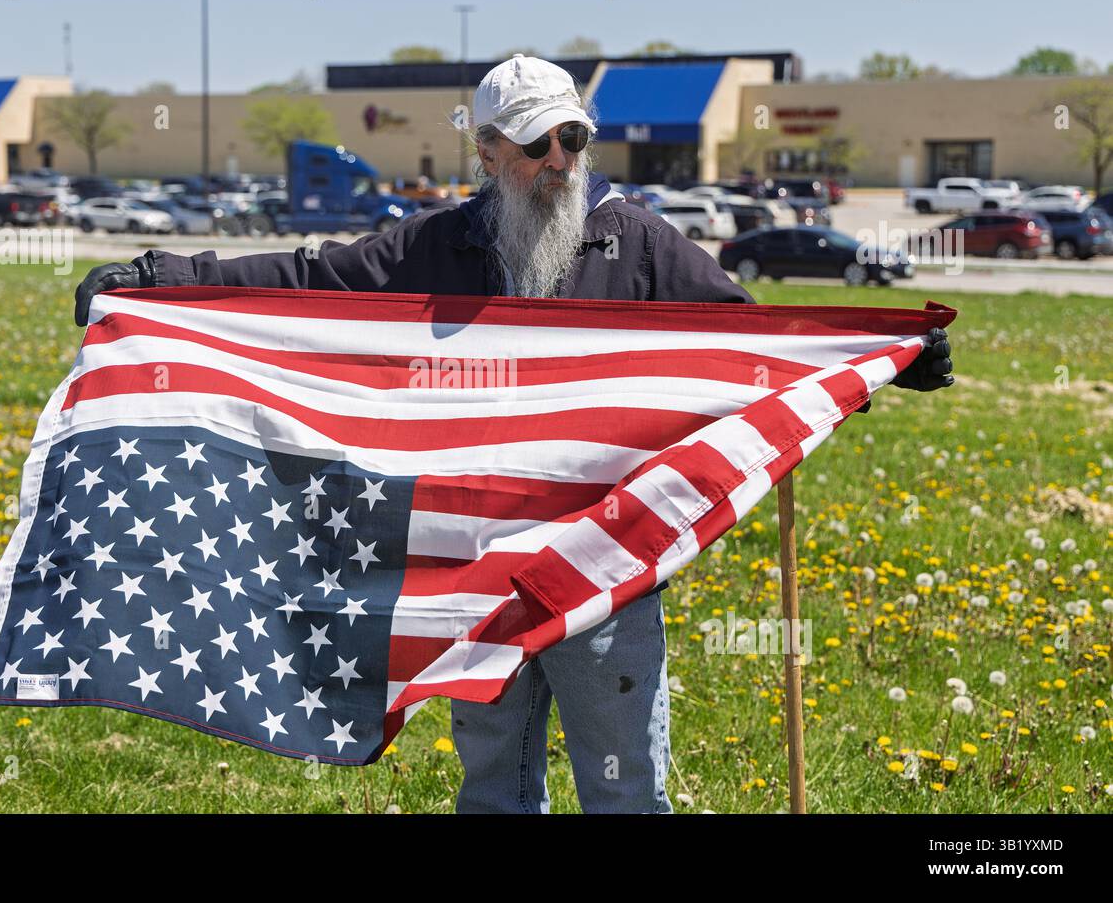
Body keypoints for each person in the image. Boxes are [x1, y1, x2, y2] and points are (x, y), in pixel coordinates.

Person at [73, 54, 953, 813]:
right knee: (493, 788)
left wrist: (882, 363)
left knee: (627, 788)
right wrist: (161, 280)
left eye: (573, 138)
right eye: (535, 145)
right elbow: (308, 277)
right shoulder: (434, 248)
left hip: (608, 569)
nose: (561, 161)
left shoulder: (639, 243)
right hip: (475, 571)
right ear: (487, 152)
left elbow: (747, 347)